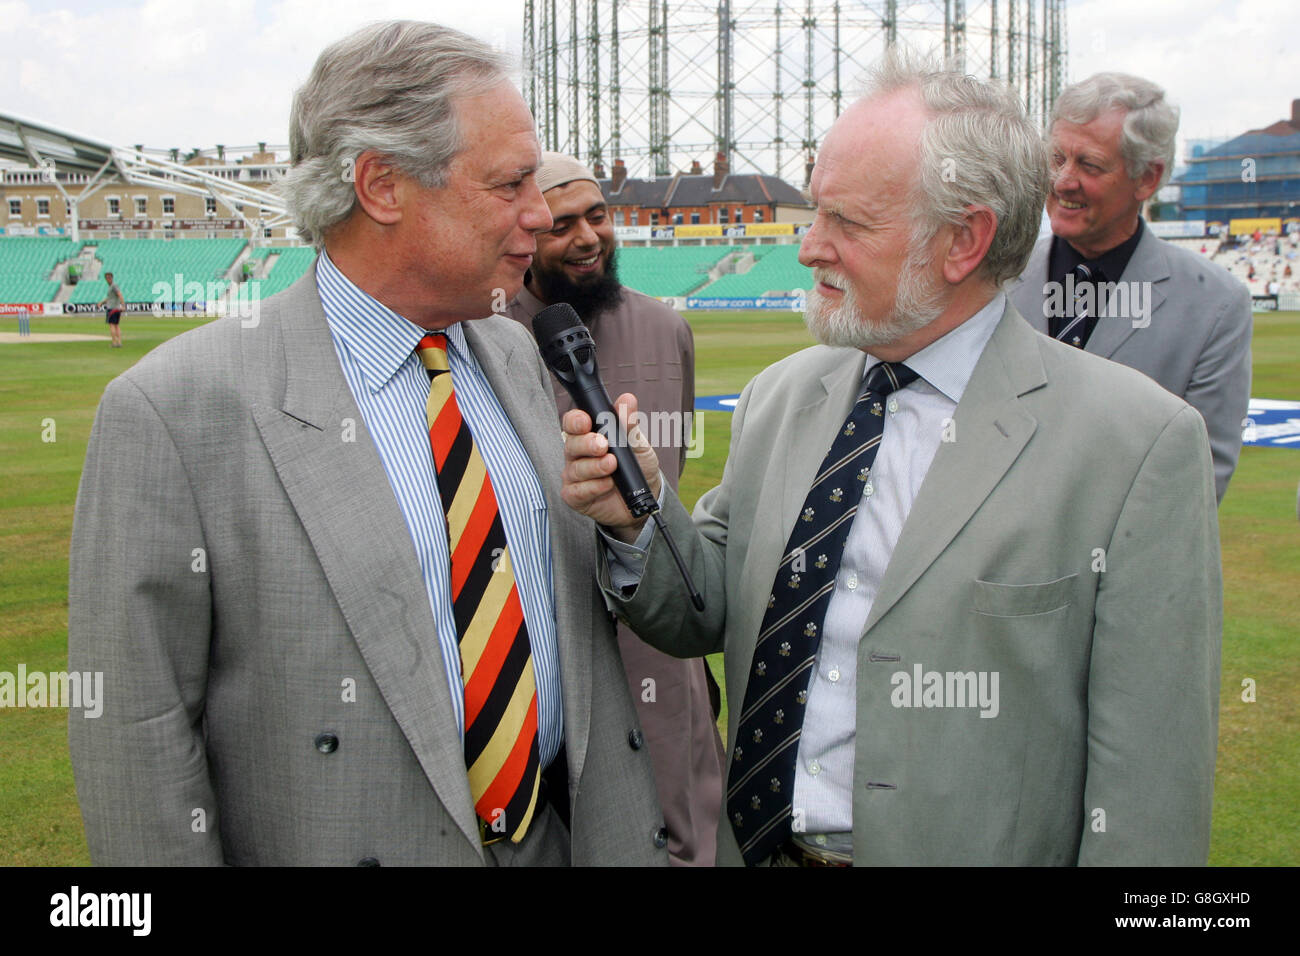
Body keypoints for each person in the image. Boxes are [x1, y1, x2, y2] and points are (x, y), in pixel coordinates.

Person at [561, 57, 1222, 866]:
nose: (809, 248)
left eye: (846, 221)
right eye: (815, 213)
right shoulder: (781, 397)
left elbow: (1150, 793)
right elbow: (703, 611)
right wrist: (638, 515)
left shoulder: (1135, 444)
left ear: (963, 240)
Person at [68, 20, 667, 866]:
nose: (541, 214)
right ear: (383, 186)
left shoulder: (515, 355)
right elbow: (135, 732)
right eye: (510, 185)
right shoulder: (174, 410)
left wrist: (625, 530)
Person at [504, 152, 725, 866]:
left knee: (680, 824)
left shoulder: (666, 330)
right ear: (529, 232)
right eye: (561, 224)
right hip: (535, 639)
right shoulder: (486, 335)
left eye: (597, 216)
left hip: (652, 636)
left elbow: (673, 482)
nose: (587, 236)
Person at [1008, 72, 1252, 503]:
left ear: (1147, 179)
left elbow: (1196, 478)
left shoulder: (1216, 305)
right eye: (1057, 158)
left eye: (1089, 165)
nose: (1063, 181)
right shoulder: (996, 276)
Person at [97, 271, 124, 347]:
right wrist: (101, 302)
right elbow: (110, 298)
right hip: (116, 308)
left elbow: (120, 294)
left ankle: (115, 342)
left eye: (109, 278)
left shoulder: (113, 286)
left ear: (111, 278)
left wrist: (123, 305)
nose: (107, 279)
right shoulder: (111, 287)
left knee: (112, 325)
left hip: (112, 308)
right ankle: (119, 342)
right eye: (106, 278)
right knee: (116, 325)